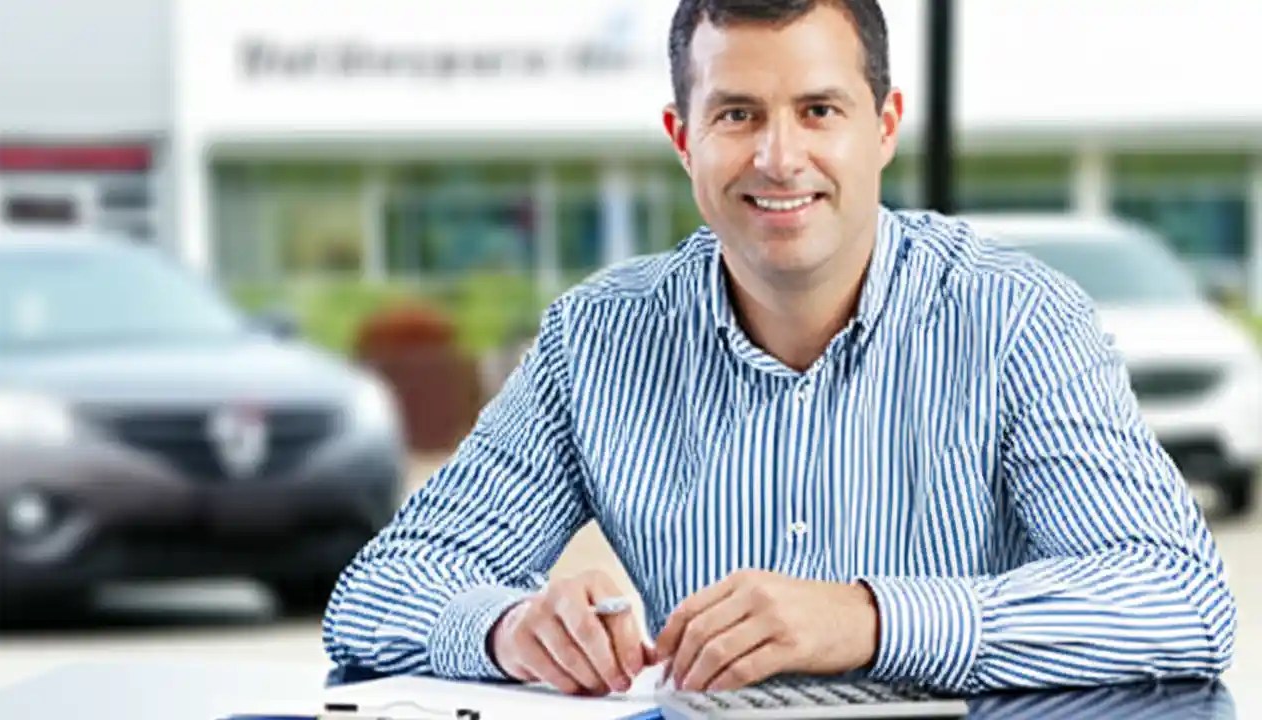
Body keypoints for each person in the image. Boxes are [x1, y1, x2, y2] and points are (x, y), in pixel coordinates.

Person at [322, 0, 1237, 697]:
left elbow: (1177, 600)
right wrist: (507, 626)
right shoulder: (593, 342)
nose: (779, 157)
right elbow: (378, 592)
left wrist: (870, 619)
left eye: (818, 110)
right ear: (684, 140)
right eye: (737, 116)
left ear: (883, 127)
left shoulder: (1019, 321)